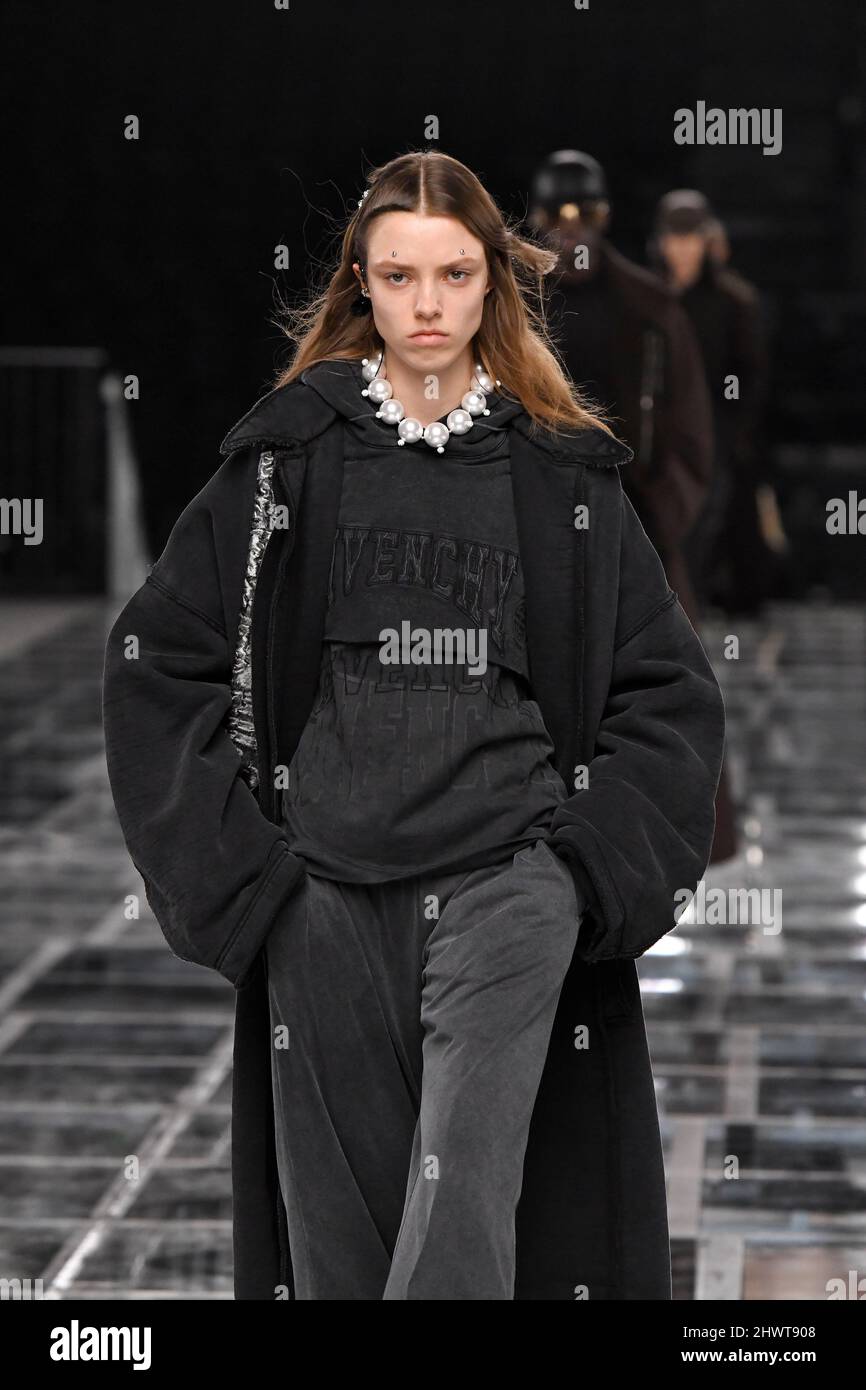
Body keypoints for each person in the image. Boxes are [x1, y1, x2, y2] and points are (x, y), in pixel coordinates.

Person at [101, 148, 726, 1301]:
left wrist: (578, 873)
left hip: (505, 886)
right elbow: (155, 660)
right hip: (321, 901)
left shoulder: (557, 476)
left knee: (461, 1228)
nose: (426, 305)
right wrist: (243, 882)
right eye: (398, 276)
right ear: (361, 283)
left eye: (452, 274)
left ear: (492, 281)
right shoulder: (288, 463)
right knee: (337, 1251)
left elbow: (666, 690)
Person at [529, 150, 737, 862]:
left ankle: (662, 849)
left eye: (583, 212)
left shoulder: (650, 304)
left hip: (635, 529)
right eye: (558, 213)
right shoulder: (509, 300)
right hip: (530, 530)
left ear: (606, 215)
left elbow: (690, 431)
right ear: (536, 216)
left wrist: (656, 528)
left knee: (662, 690)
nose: (570, 227)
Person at [649, 190, 774, 613]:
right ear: (662, 242)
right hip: (656, 435)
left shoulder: (733, 302)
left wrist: (734, 431)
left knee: (701, 525)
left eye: (691, 238)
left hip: (712, 434)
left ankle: (685, 614)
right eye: (675, 238)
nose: (683, 249)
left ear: (706, 241)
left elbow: (749, 374)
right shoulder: (647, 297)